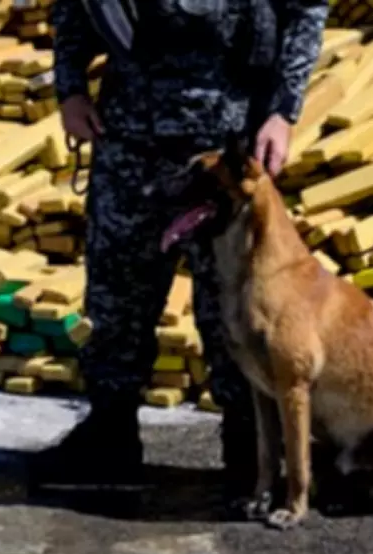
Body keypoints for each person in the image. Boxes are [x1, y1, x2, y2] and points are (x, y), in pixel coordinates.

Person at [28, 0, 328, 509]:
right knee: (117, 298)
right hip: (130, 140)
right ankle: (110, 438)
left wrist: (284, 110)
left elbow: (306, 9)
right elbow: (74, 8)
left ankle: (250, 452)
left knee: (236, 309)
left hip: (226, 151)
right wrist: (71, 88)